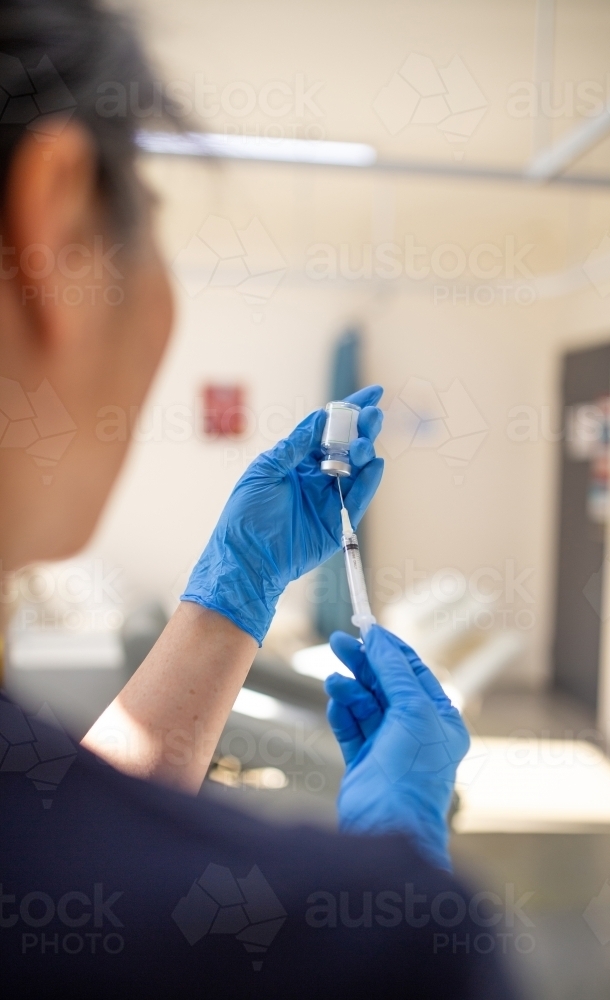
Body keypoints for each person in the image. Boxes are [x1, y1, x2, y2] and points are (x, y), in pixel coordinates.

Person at [0, 1, 517, 996]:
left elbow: (60, 825)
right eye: (144, 210)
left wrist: (228, 598)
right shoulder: (341, 951)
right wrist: (391, 870)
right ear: (55, 231)